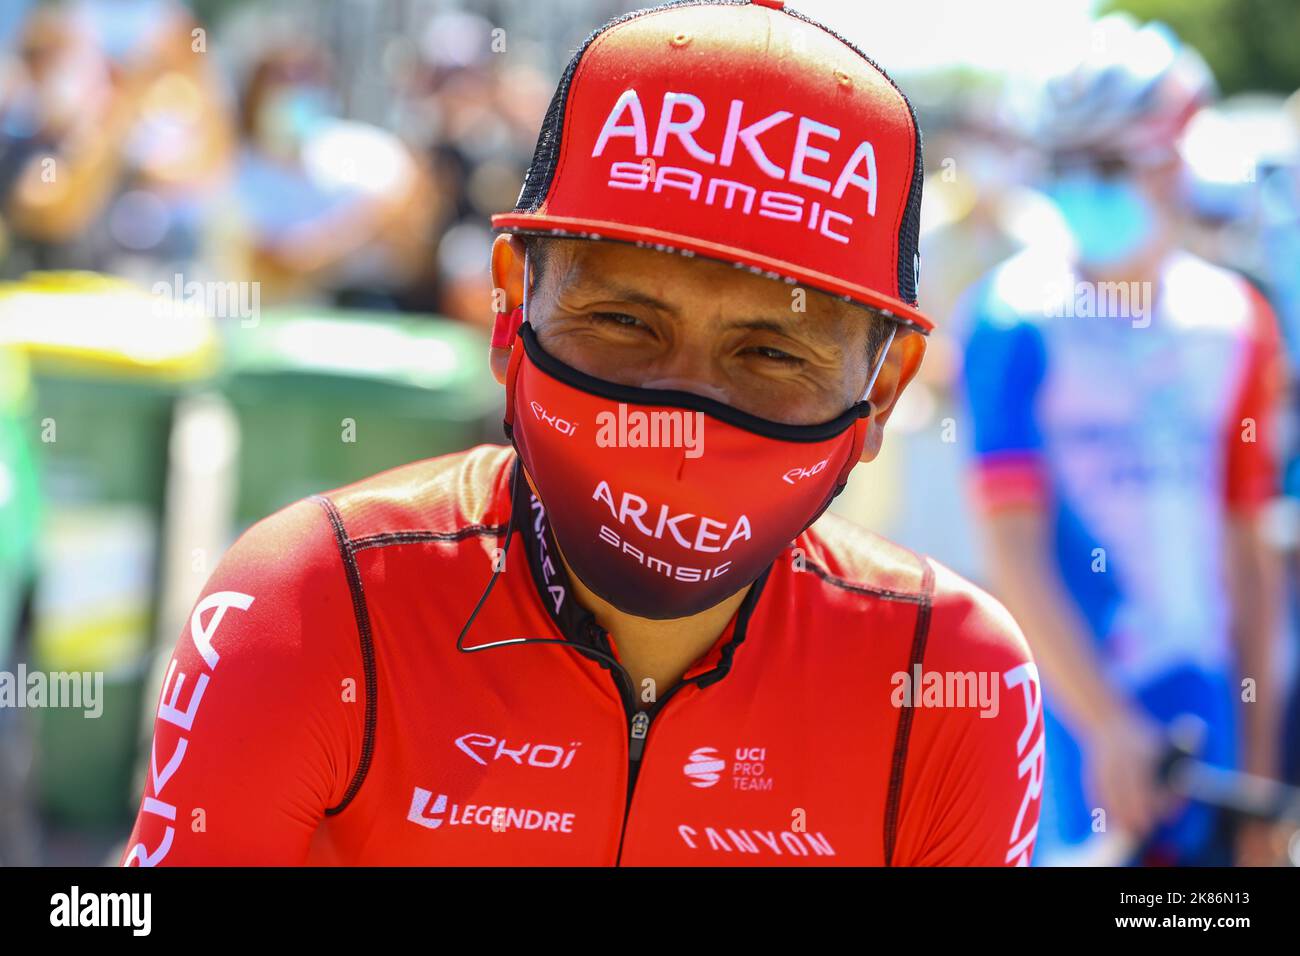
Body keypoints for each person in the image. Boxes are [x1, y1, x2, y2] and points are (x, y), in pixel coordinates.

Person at [121, 0, 1043, 867]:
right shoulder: (314, 605)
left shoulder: (950, 684)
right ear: (508, 307)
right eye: (625, 322)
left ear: (881, 393)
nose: (678, 422)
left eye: (769, 352)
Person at [958, 15, 1288, 866]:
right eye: (1061, 165)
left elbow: (1246, 554)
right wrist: (1106, 723)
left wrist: (1258, 770)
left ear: (1176, 160)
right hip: (1071, 721)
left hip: (1210, 705)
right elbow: (1011, 546)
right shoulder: (1011, 318)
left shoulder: (1237, 321)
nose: (1080, 188)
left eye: (1107, 165)